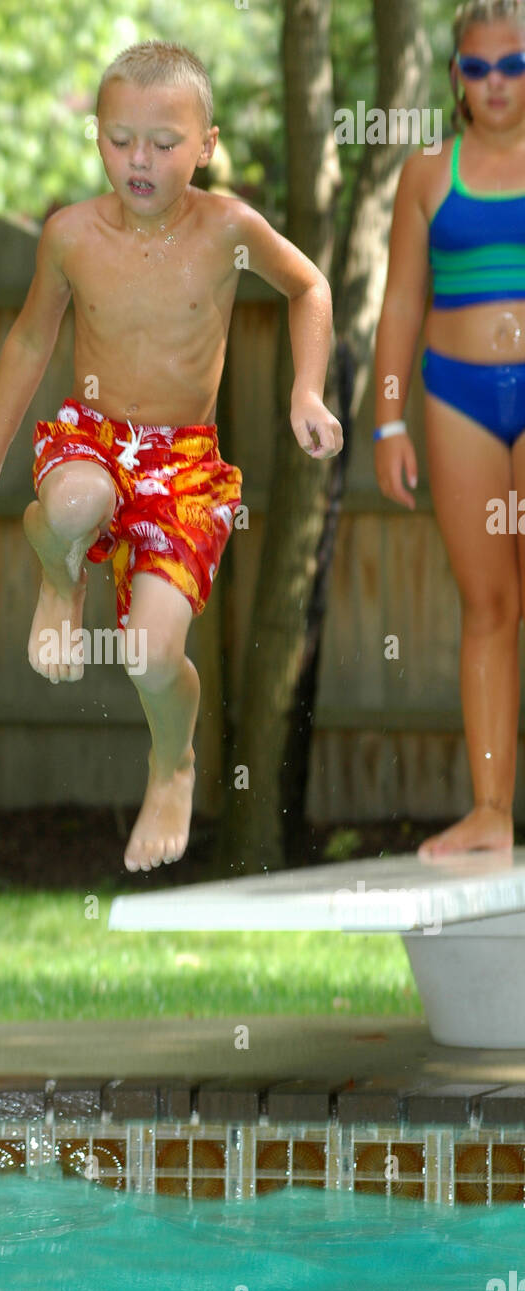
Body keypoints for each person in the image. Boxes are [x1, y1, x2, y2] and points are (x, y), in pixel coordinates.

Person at [0, 40, 342, 873]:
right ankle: (62, 575)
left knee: (153, 655)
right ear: (96, 137)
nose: (141, 160)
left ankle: (174, 763)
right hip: (93, 435)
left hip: (184, 466)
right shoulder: (71, 236)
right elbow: (29, 337)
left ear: (208, 145)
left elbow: (310, 288)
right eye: (121, 140)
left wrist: (306, 390)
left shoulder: (229, 227)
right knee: (77, 506)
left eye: (164, 142)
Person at [375, 0, 525, 861]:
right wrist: (388, 419)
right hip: (456, 399)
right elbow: (400, 300)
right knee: (489, 606)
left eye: (514, 66)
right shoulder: (429, 172)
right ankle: (492, 811)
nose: (496, 83)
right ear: (456, 75)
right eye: (479, 67)